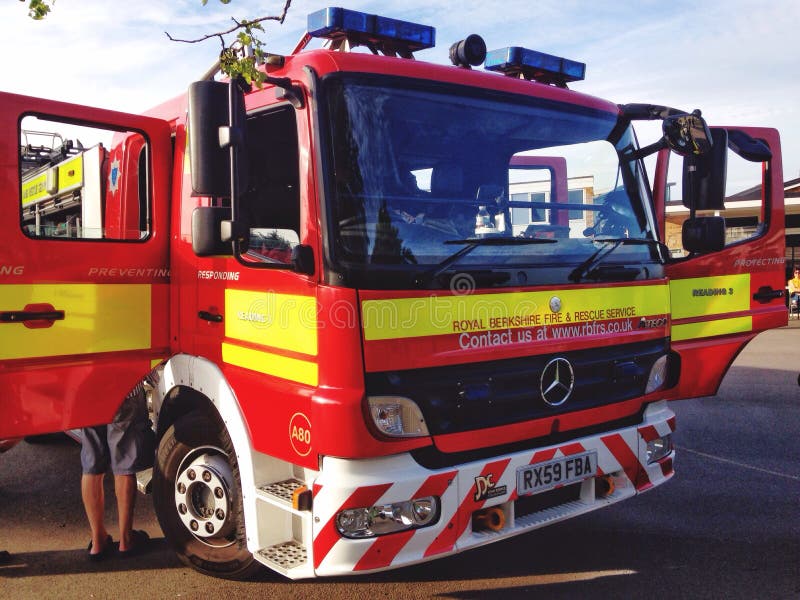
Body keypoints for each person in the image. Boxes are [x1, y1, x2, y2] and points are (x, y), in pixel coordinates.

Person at [80, 382, 154, 561]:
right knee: (124, 461)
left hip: (85, 389)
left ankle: (98, 542)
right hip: (122, 387)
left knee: (92, 465)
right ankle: (126, 540)